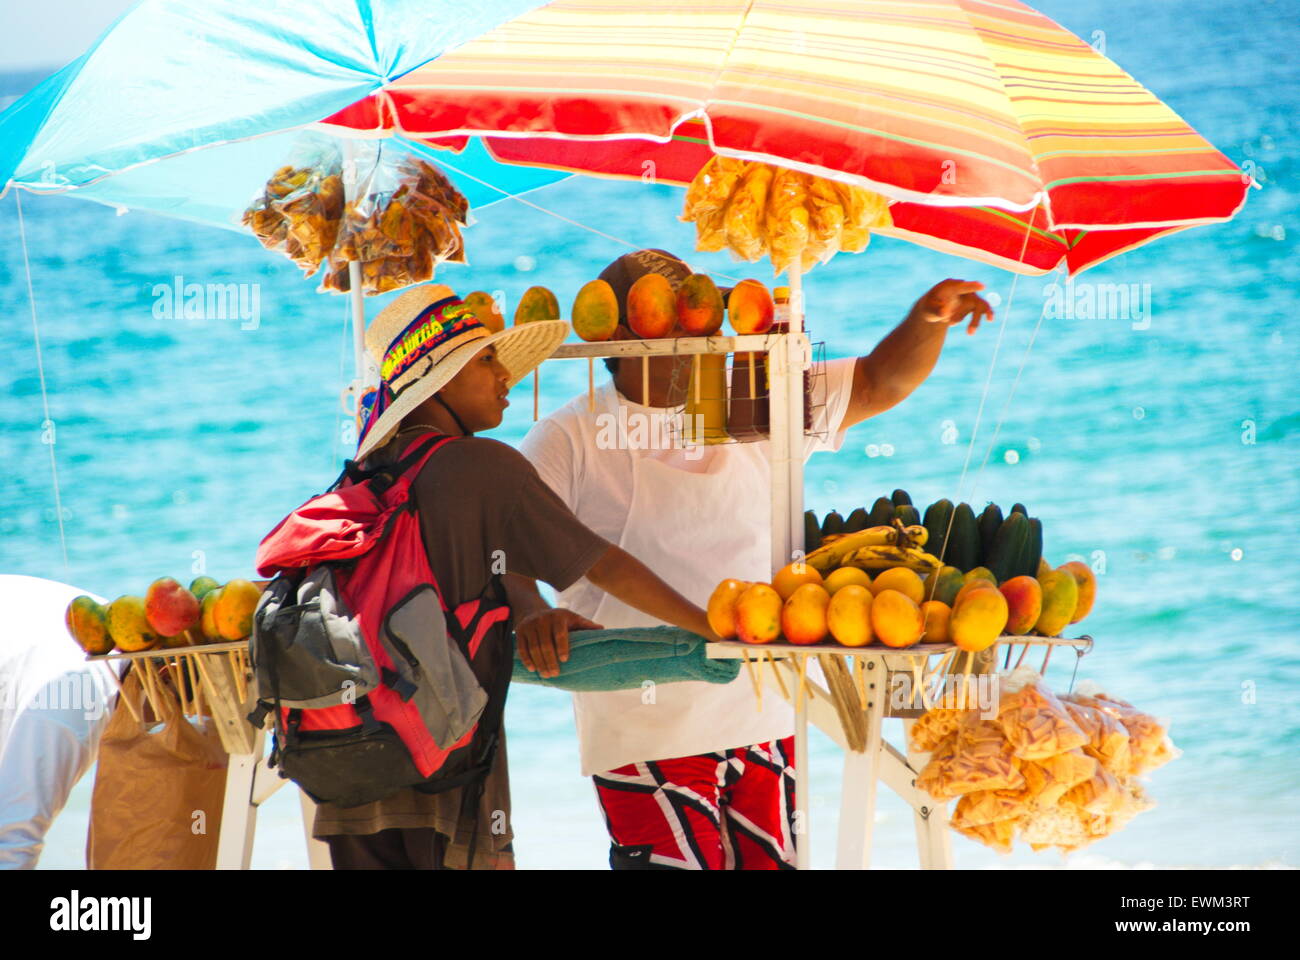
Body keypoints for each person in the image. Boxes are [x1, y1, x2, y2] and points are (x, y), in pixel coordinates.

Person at [513, 249, 993, 870]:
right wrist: (528, 607)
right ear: (622, 332)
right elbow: (507, 539)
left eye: (697, 302)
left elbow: (878, 383)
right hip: (643, 725)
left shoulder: (751, 401)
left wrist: (929, 318)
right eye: (672, 306)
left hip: (762, 711)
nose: (695, 318)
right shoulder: (571, 434)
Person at [310, 283, 718, 870]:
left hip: (347, 769)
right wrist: (712, 627)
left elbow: (474, 567)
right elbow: (601, 565)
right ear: (442, 380)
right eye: (486, 360)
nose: (506, 375)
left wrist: (527, 608)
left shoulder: (367, 474)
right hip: (442, 772)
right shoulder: (486, 466)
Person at [0, 575, 120, 869]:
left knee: (12, 840)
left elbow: (13, 844)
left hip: (74, 662)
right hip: (87, 638)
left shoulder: (65, 691)